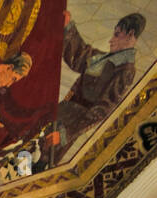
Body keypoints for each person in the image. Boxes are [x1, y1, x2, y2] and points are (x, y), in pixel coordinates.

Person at [43, 11, 144, 163]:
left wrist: (65, 134)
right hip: (62, 112)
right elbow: (81, 57)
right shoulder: (106, 59)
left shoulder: (125, 70)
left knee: (40, 161)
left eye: (117, 35)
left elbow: (102, 110)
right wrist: (67, 27)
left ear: (130, 35)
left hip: (70, 124)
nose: (111, 40)